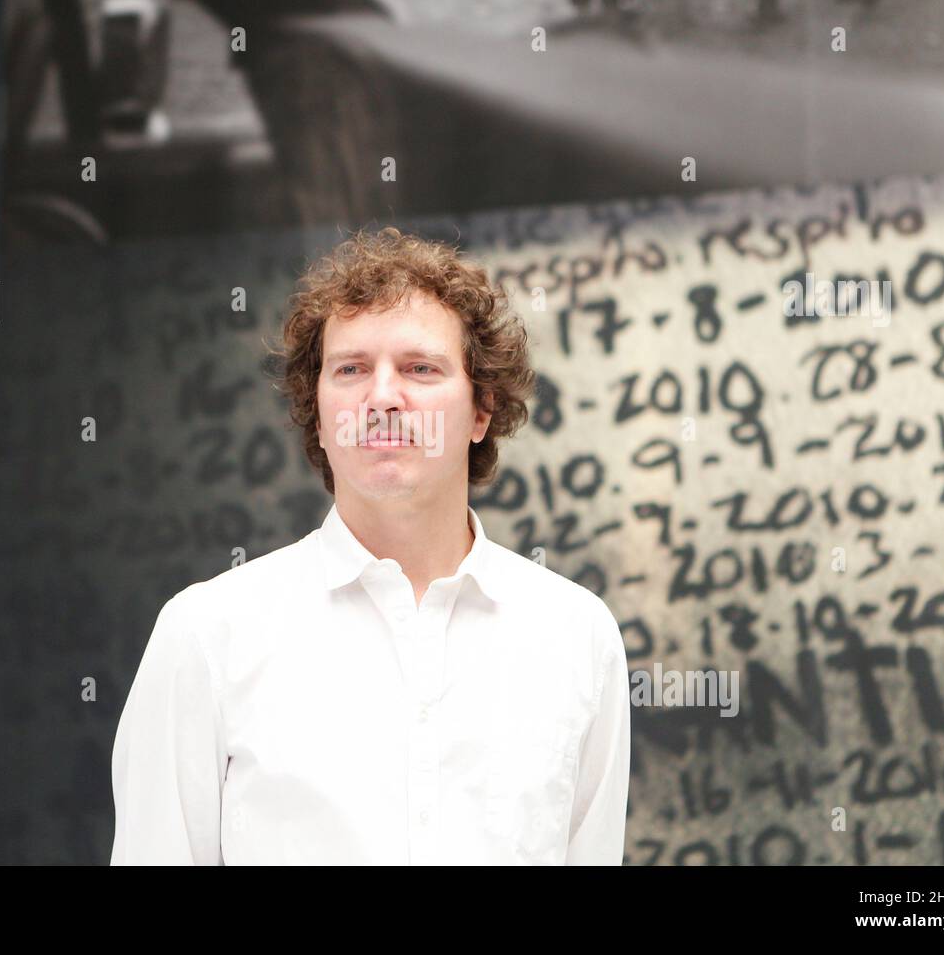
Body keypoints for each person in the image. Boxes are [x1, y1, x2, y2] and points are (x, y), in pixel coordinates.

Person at [111, 226, 630, 864]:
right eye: (352, 369)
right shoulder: (205, 635)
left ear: (481, 410)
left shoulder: (577, 636)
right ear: (320, 415)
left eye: (420, 368)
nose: (382, 398)